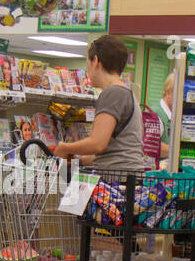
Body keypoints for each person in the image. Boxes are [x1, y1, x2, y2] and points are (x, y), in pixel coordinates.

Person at [53, 35, 147, 171]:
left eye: (88, 64)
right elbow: (116, 149)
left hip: (116, 179)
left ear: (96, 61)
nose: (88, 70)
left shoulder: (112, 93)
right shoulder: (127, 93)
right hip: (128, 177)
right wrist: (80, 161)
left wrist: (64, 147)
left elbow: (97, 144)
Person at [153, 73, 176, 162]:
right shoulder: (156, 114)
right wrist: (178, 151)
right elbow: (153, 146)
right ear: (168, 92)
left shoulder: (174, 113)